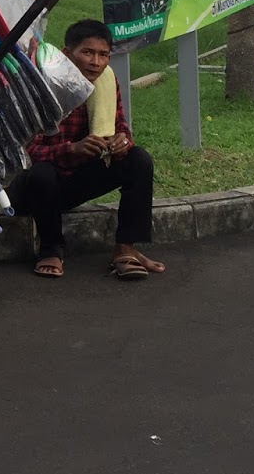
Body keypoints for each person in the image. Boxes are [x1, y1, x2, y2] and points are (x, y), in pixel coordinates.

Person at [9, 19, 163, 281]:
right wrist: (72, 149)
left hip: (72, 182)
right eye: (88, 53)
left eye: (103, 55)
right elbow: (27, 150)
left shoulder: (106, 81)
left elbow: (121, 125)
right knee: (42, 174)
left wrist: (120, 142)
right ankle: (50, 249)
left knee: (139, 160)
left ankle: (125, 248)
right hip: (29, 186)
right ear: (67, 54)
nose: (96, 62)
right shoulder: (40, 81)